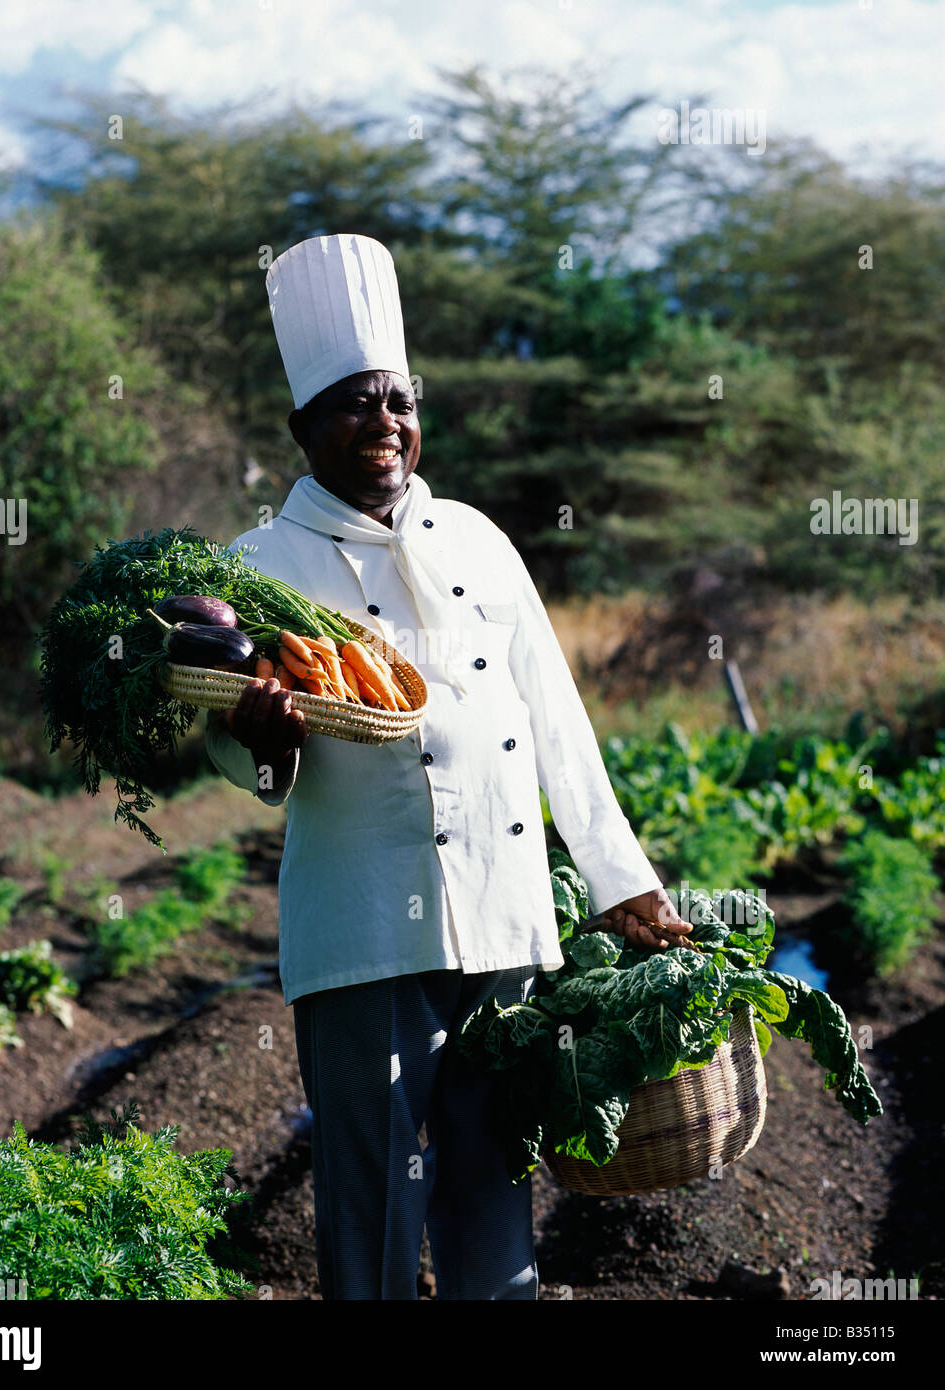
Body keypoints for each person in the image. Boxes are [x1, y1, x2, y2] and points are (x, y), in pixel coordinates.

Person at [205, 233, 689, 1300]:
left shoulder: (474, 537)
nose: (384, 422)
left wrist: (621, 879)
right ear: (302, 429)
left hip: (504, 912)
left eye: (398, 401)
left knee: (492, 1175)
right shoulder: (253, 568)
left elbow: (554, 716)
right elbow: (240, 759)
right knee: (372, 1201)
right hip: (366, 927)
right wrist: (265, 743)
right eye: (353, 403)